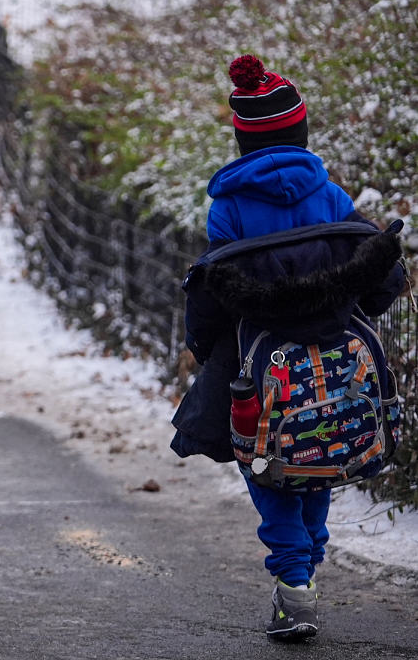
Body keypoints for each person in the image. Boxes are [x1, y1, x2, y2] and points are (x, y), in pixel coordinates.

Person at [171, 54, 406, 642]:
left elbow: (216, 288)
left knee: (262, 458)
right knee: (318, 445)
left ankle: (294, 579)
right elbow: (374, 273)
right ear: (300, 132)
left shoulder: (227, 208)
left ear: (242, 141)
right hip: (338, 348)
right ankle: (307, 564)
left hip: (262, 357)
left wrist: (203, 348)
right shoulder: (330, 195)